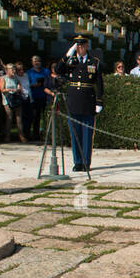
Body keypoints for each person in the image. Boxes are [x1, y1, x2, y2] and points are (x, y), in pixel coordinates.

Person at [55, 35, 104, 174]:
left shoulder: (94, 61)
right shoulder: (71, 60)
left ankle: (86, 162)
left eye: (83, 45)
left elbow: (99, 83)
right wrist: (67, 55)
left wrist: (99, 101)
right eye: (78, 46)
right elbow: (58, 70)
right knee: (75, 132)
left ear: (87, 46)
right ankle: (77, 162)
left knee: (87, 134)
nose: (80, 48)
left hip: (88, 100)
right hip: (74, 101)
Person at [24, 55, 51, 141]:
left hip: (45, 96)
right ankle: (35, 135)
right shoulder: (29, 73)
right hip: (34, 97)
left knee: (46, 117)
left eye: (38, 61)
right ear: (32, 63)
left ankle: (47, 135)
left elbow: (50, 81)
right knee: (35, 117)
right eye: (35, 61)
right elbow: (26, 85)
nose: (37, 63)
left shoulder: (46, 71)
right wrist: (34, 85)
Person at [0, 63, 25, 142]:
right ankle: (7, 136)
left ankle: (21, 136)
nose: (14, 71)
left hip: (16, 99)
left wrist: (18, 89)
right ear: (7, 70)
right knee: (9, 117)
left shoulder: (16, 78)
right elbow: (2, 90)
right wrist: (10, 90)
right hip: (7, 100)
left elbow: (20, 87)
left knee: (19, 118)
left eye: (14, 69)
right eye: (12, 69)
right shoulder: (3, 78)